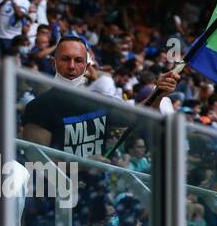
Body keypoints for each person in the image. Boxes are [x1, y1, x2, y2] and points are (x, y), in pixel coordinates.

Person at [21, 36, 177, 159]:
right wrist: (84, 164)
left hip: (98, 194)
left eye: (79, 60)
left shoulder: (98, 100)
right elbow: (37, 161)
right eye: (65, 59)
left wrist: (158, 93)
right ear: (53, 64)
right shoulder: (39, 106)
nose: (71, 66)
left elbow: (137, 117)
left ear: (87, 68)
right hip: (57, 194)